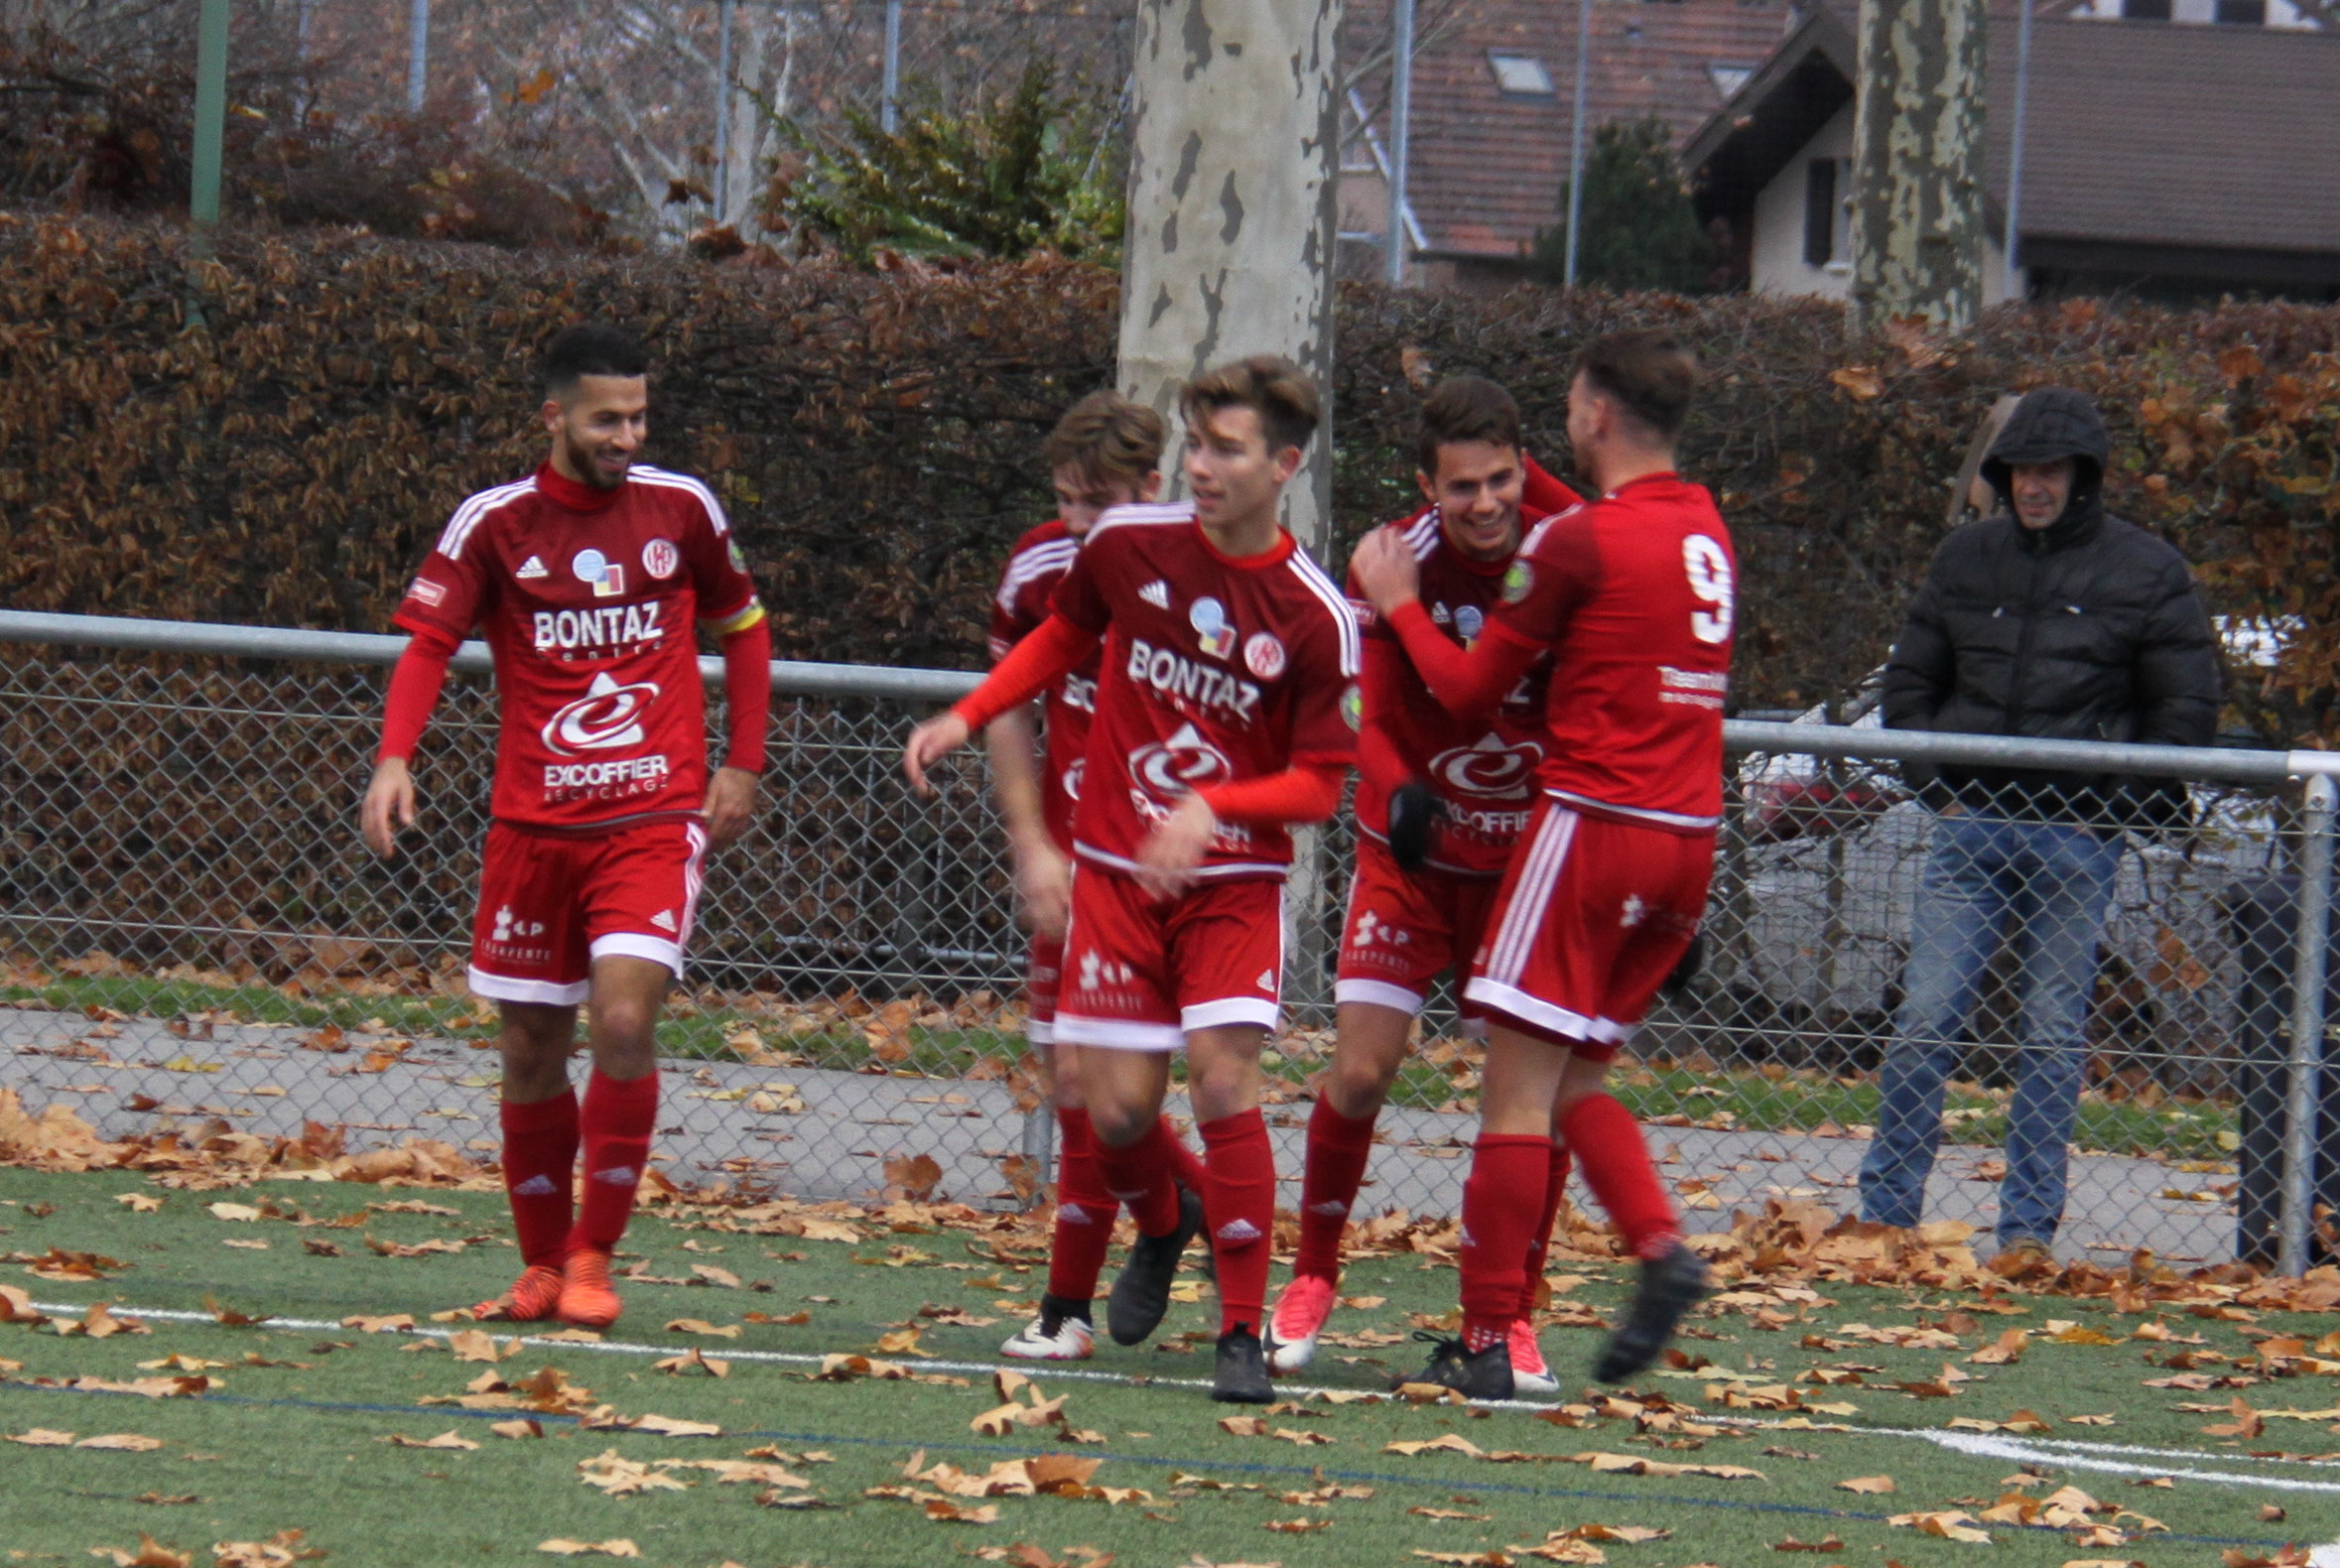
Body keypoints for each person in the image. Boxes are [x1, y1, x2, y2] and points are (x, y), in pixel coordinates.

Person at [905, 356, 1360, 1403]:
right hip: (1112, 872)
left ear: (1285, 464)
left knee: (1220, 1082)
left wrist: (1217, 806)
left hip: (1233, 884)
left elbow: (1323, 783)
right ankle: (1167, 1222)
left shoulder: (1313, 614)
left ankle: (1240, 1331)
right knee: (1110, 1112)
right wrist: (968, 714)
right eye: (1196, 444)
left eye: (1227, 449)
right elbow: (1062, 635)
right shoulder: (1124, 545)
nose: (1202, 466)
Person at [360, 324, 772, 1329]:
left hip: (651, 815)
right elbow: (427, 642)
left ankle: (594, 1255)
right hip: (532, 825)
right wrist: (394, 755)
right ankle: (541, 1263)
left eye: (638, 414)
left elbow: (745, 629)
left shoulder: (682, 509)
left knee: (624, 1020)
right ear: (555, 417)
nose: (626, 432)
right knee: (532, 1046)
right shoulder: (494, 523)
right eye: (605, 417)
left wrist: (743, 762)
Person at [1352, 328, 1733, 1397]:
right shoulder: (1707, 529)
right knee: (1577, 1087)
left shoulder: (1577, 545)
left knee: (1514, 1099)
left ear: (1598, 414)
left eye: (1568, 405)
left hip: (1591, 825)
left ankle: (1485, 1338)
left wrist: (1399, 604)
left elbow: (1468, 695)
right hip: (1691, 838)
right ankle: (1659, 1248)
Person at [1858, 386, 2220, 1275]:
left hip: (2075, 835)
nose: (2034, 486)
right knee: (1924, 1022)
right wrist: (1937, 791)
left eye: (2051, 470)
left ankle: (2026, 1236)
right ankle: (1885, 1221)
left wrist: (2114, 806)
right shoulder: (1966, 559)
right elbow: (1908, 687)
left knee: (2053, 1036)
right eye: (2020, 470)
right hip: (1971, 824)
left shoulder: (2147, 570)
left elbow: (2186, 710)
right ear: (2003, 476)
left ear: (2084, 478)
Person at [1266, 376, 1582, 1393]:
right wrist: (1399, 792)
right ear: (1425, 486)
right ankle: (1314, 1272)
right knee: (1359, 1073)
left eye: (1501, 479)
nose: (1485, 503)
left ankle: (1509, 1318)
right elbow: (1371, 706)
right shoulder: (1393, 558)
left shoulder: (1574, 543)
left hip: (1524, 871)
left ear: (1525, 467)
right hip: (1411, 861)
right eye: (1461, 488)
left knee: (1533, 1101)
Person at [983, 390, 1211, 1361]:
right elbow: (1008, 706)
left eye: (1098, 501)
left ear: (1150, 488)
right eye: (1066, 499)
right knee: (1076, 1082)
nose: (1077, 522)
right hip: (1078, 864)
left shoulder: (1202, 571)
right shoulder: (1039, 567)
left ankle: (1157, 1242)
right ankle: (1130, 1248)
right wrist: (1034, 843)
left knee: (1155, 1089)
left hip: (1179, 869)